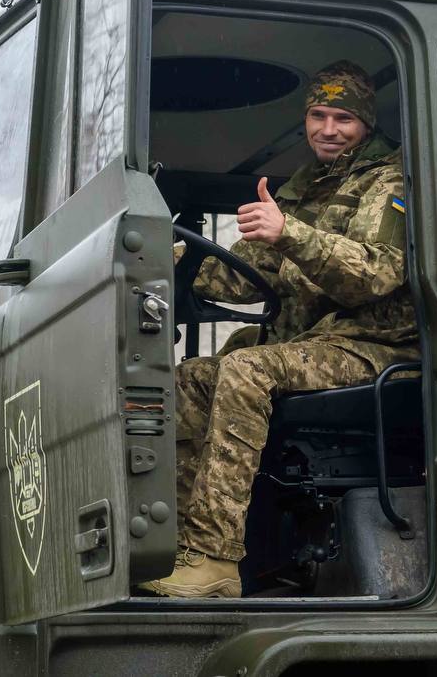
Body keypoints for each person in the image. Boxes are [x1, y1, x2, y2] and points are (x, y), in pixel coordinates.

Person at [141, 60, 419, 598]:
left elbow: (374, 274)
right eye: (319, 115)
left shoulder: (387, 180)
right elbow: (246, 276)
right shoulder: (306, 187)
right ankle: (172, 548)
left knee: (247, 369)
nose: (329, 129)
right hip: (317, 345)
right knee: (188, 379)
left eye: (344, 118)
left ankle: (217, 561)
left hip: (376, 347)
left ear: (365, 124)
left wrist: (290, 235)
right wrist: (168, 261)